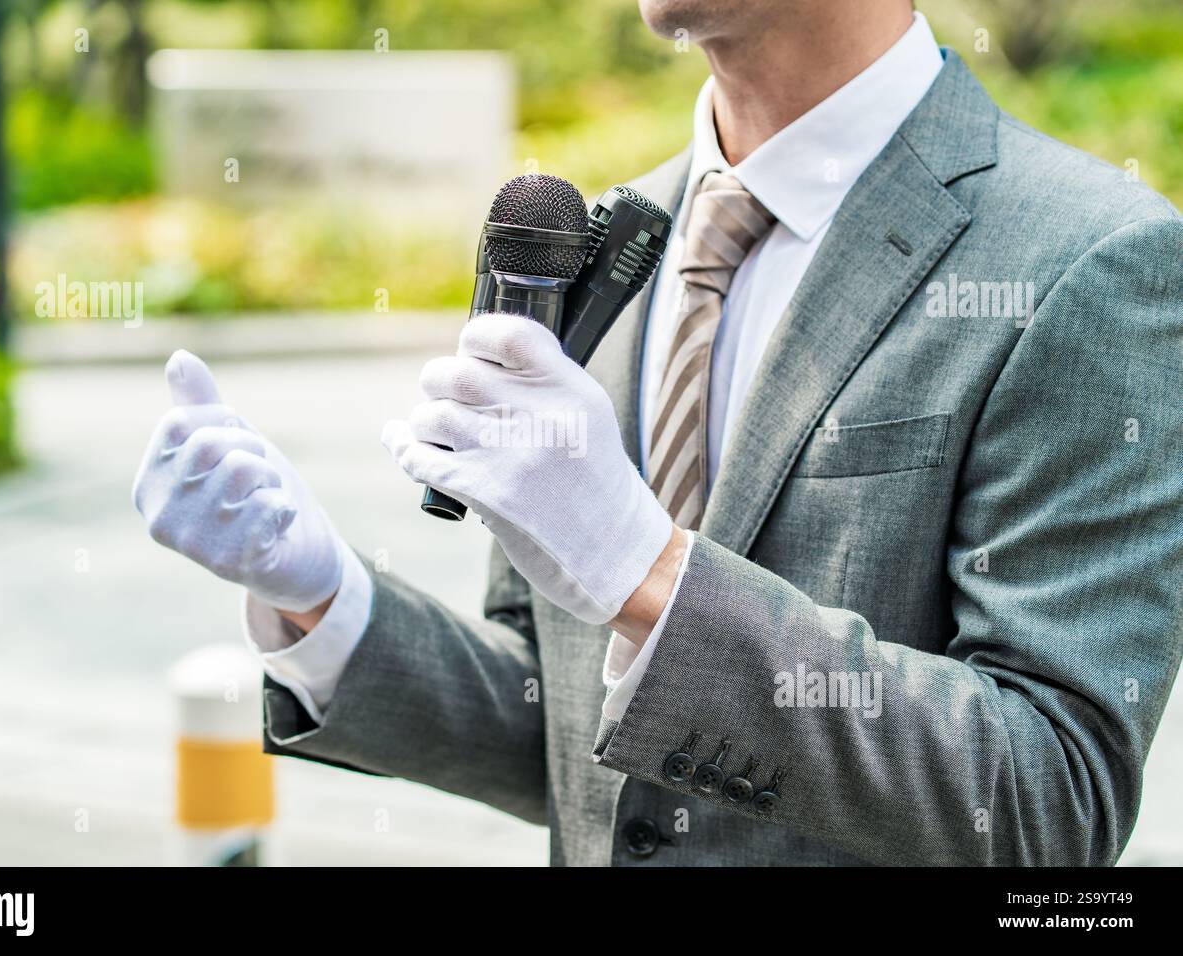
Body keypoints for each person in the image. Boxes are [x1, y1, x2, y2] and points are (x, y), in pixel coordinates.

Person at [132, 0, 1183, 865]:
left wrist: (645, 568)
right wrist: (320, 596)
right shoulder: (596, 236)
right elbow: (568, 731)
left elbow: (1051, 794)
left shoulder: (1091, 260)